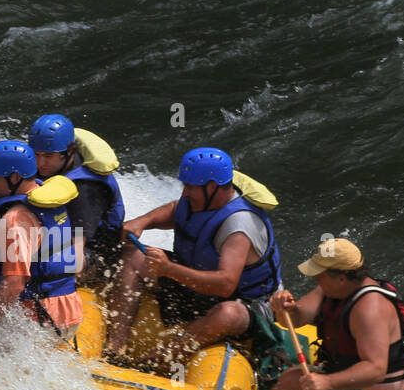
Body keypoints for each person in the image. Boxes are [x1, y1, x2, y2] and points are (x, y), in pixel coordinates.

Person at [103, 146, 281, 367]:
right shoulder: (202, 197)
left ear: (213, 187)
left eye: (190, 187)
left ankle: (154, 362)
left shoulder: (239, 226)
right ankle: (115, 349)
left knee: (228, 314)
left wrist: (169, 270)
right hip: (197, 289)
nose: (185, 192)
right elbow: (177, 210)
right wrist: (143, 222)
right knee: (132, 255)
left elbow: (225, 285)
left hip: (243, 303)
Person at [266, 238, 404, 390]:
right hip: (351, 388)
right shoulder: (331, 288)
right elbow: (295, 319)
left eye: (320, 274)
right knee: (293, 376)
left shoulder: (370, 308)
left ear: (341, 278)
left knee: (291, 382)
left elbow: (375, 370)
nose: (315, 279)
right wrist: (283, 309)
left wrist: (327, 382)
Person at [0, 140, 84, 344]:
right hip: (66, 307)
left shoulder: (14, 219)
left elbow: (14, 284)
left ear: (14, 177)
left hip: (40, 316)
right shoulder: (41, 193)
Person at [28, 113, 125, 282]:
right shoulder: (49, 163)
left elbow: (76, 251)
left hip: (95, 254)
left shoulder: (85, 189)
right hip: (55, 234)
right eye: (36, 154)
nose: (40, 163)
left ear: (70, 151)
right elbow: (8, 176)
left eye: (48, 156)